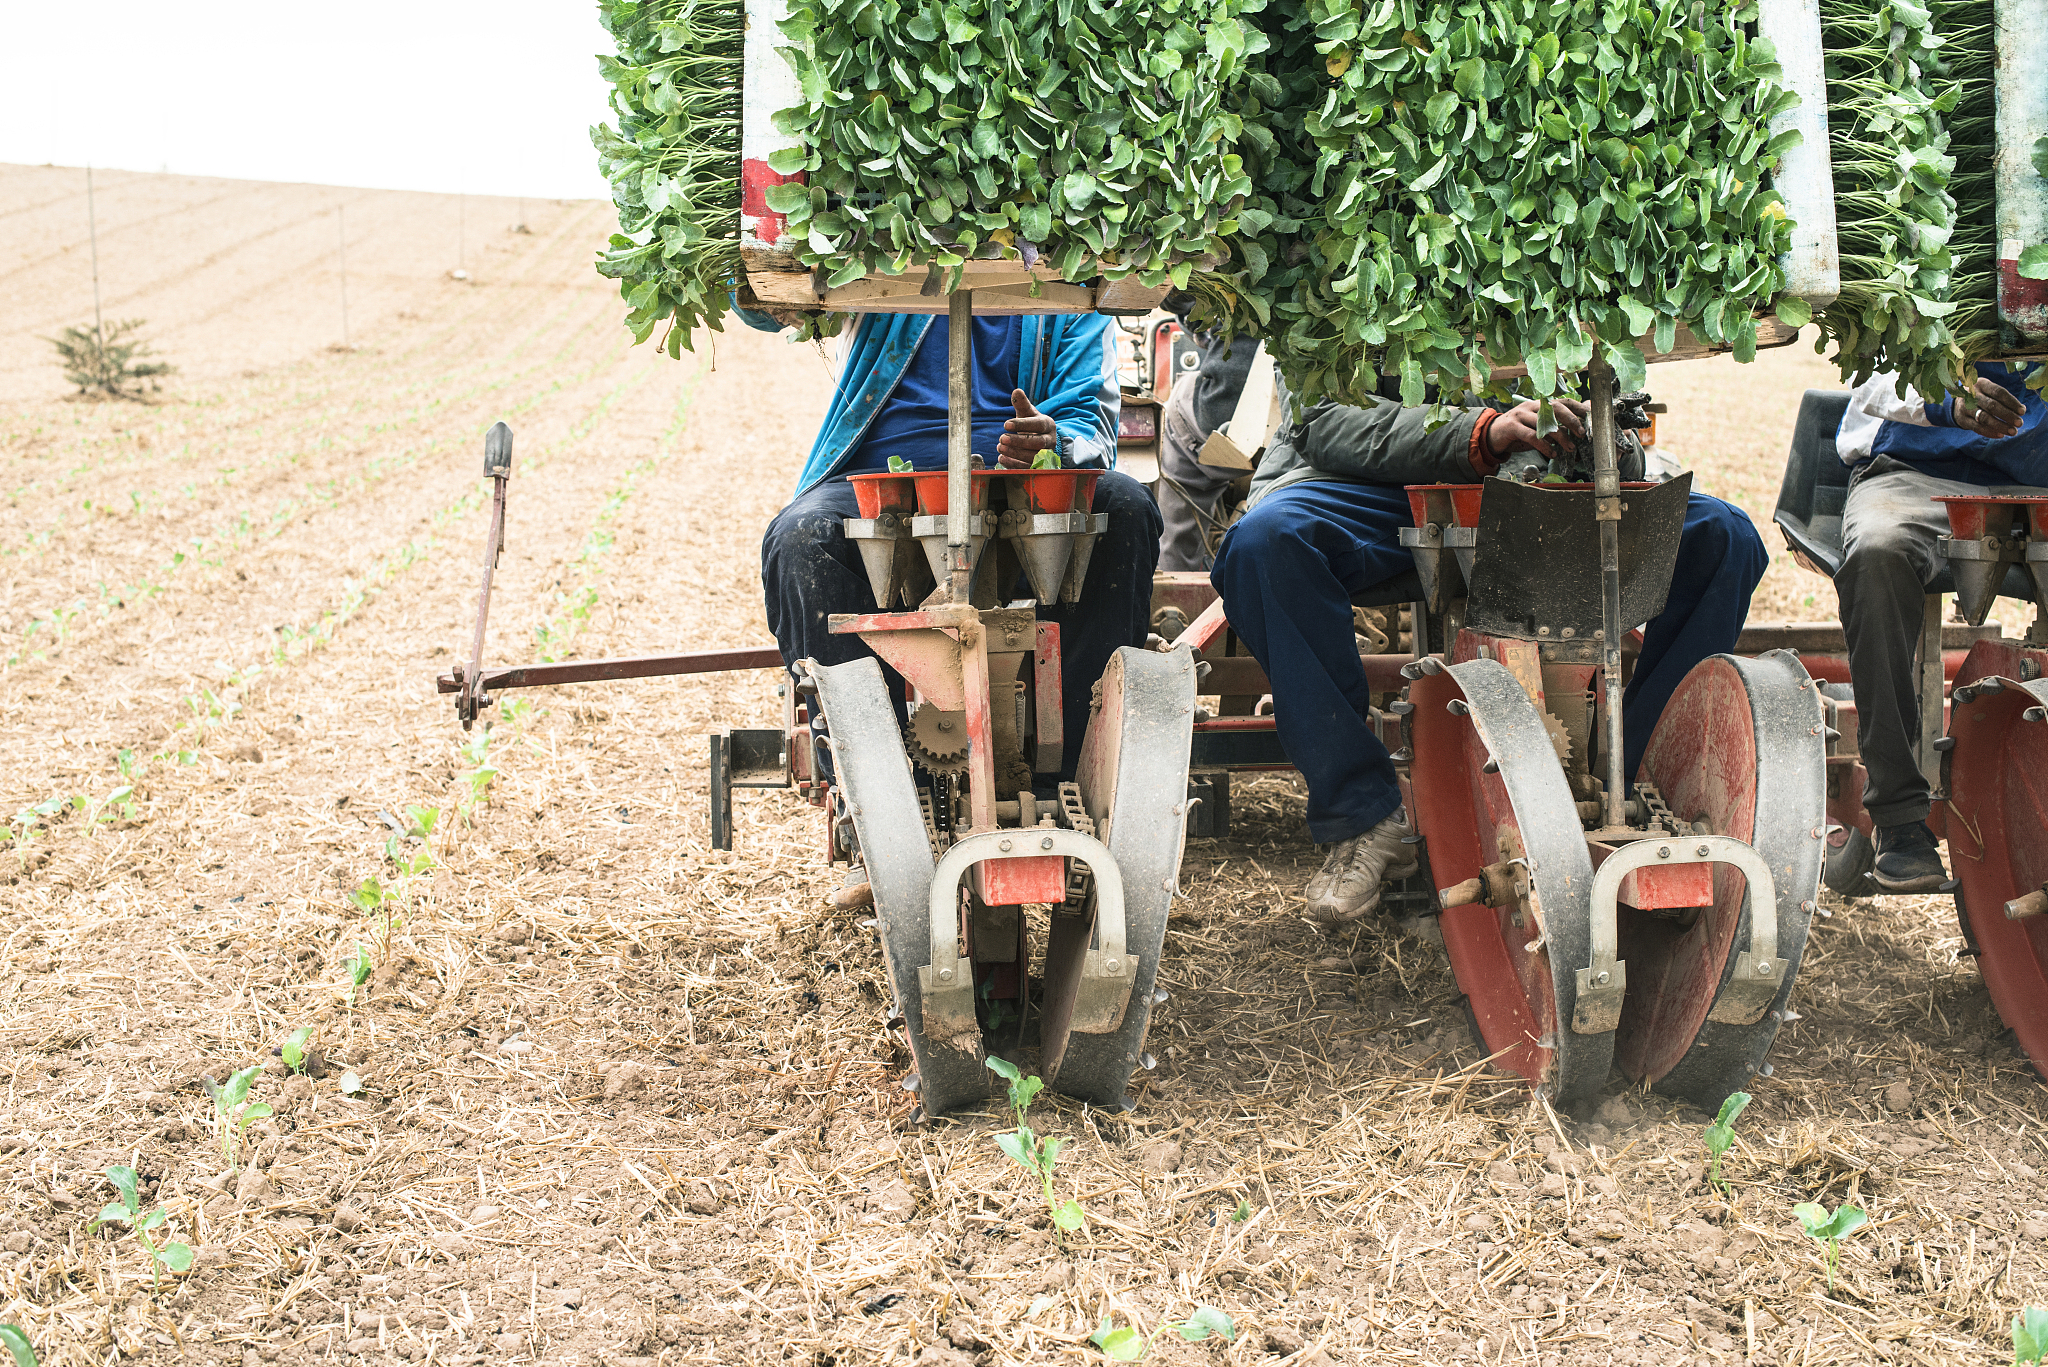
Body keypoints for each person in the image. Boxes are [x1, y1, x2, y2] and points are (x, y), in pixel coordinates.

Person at [1211, 394, 1769, 922]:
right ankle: (1362, 814)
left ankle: (1638, 780)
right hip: (1371, 487)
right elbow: (1325, 420)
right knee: (1266, 544)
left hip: (1534, 489)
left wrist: (1604, 441)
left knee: (1725, 538)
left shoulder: (1566, 299)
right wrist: (1484, 433)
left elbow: (1625, 435)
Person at [743, 306, 1163, 786]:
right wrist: (758, 288)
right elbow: (762, 305)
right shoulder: (878, 245)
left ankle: (1079, 770)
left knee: (1126, 510)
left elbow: (1087, 418)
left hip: (1023, 480)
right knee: (801, 537)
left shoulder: (1066, 278)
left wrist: (1057, 442)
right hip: (882, 477)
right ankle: (875, 784)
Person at [1832, 363, 2045, 891]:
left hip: (2040, 476)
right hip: (1916, 473)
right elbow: (1877, 383)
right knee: (1879, 554)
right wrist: (1946, 399)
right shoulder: (1938, 280)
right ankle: (1900, 817)